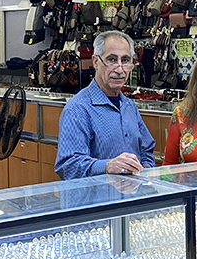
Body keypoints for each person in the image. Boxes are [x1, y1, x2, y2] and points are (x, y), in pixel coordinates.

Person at [55, 30, 155, 179]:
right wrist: (107, 166)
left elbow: (146, 151)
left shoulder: (129, 107)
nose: (120, 69)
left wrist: (143, 172)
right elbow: (68, 166)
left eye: (126, 60)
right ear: (96, 62)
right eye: (112, 60)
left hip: (130, 198)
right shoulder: (77, 109)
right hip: (96, 200)